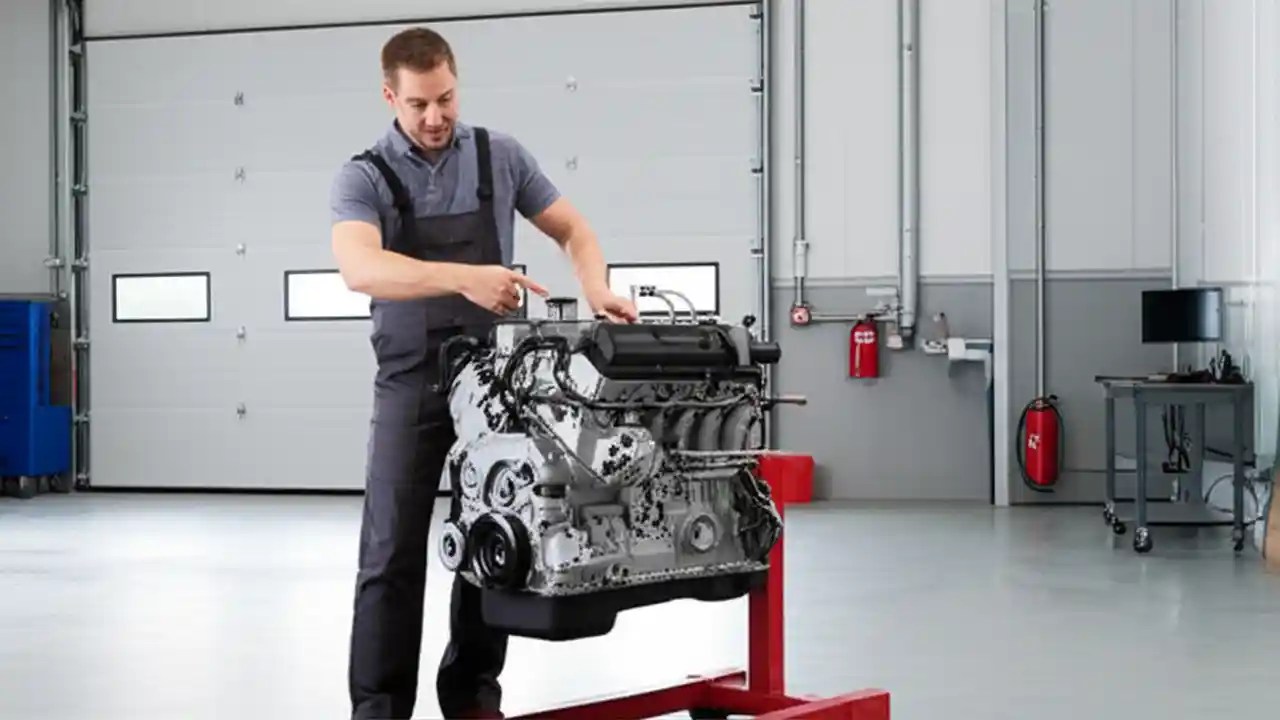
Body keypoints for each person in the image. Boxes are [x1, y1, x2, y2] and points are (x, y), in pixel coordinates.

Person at [329, 26, 638, 720]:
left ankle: (470, 695)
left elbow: (573, 230)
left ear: (456, 84)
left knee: (497, 537)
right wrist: (465, 278)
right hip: (411, 382)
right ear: (390, 96)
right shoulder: (364, 175)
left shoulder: (500, 157)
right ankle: (377, 708)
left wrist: (596, 286)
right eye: (417, 105)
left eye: (444, 99)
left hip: (498, 386)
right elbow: (360, 268)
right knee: (390, 555)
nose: (434, 117)